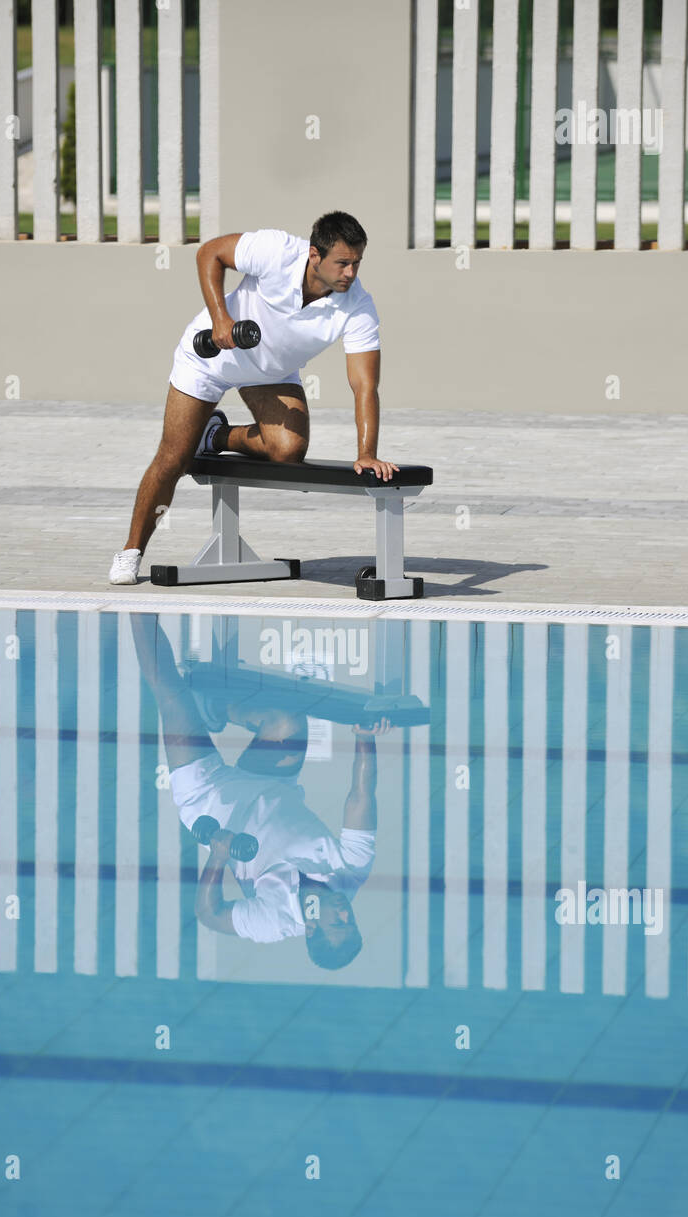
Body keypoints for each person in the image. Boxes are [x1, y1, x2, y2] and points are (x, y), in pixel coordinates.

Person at [109, 210, 398, 584]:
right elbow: (209, 253)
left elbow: (364, 385)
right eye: (342, 263)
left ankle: (214, 435)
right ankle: (131, 551)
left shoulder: (357, 305)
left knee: (288, 450)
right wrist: (220, 318)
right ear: (315, 255)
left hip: (271, 373)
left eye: (356, 263)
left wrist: (366, 452)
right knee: (174, 457)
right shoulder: (276, 250)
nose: (350, 274)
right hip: (211, 356)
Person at [131, 614, 390, 970]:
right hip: (270, 782)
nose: (347, 913)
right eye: (353, 921)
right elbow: (361, 798)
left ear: (311, 928)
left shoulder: (273, 922)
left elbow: (210, 914)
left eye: (338, 923)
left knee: (169, 689)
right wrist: (365, 739)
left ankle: (138, 605)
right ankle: (214, 707)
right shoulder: (350, 871)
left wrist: (219, 857)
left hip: (209, 800)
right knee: (288, 721)